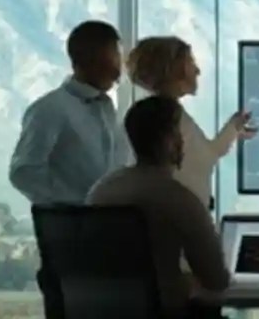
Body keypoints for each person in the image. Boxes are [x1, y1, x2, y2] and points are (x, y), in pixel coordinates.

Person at [89, 95, 231, 317]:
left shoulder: (101, 189)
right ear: (170, 140)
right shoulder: (178, 199)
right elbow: (217, 280)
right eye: (179, 132)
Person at [9, 19, 132, 206]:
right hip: (73, 226)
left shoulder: (106, 109)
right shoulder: (49, 110)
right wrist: (75, 201)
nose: (117, 73)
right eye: (112, 59)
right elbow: (23, 172)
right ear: (89, 60)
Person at [126, 35, 256, 211]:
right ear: (175, 69)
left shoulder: (167, 117)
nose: (197, 70)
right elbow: (204, 159)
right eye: (191, 62)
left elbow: (204, 157)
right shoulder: (169, 119)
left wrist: (233, 128)